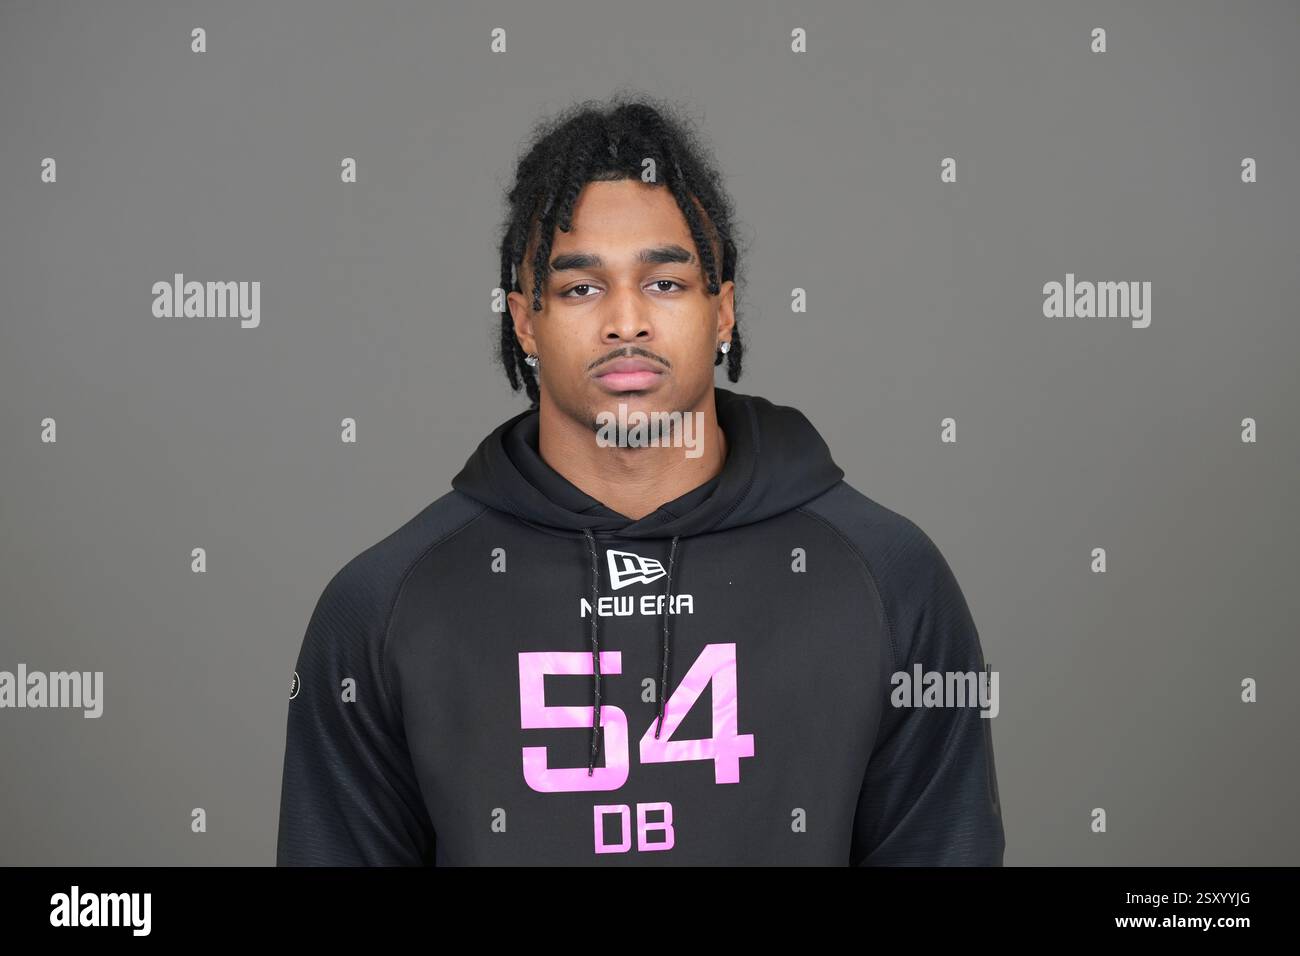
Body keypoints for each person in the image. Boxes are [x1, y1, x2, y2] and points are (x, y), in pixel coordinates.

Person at [275, 94, 1005, 866]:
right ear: (526, 321)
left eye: (664, 283)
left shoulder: (887, 578)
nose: (626, 321)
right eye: (581, 288)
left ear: (723, 311)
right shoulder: (384, 606)